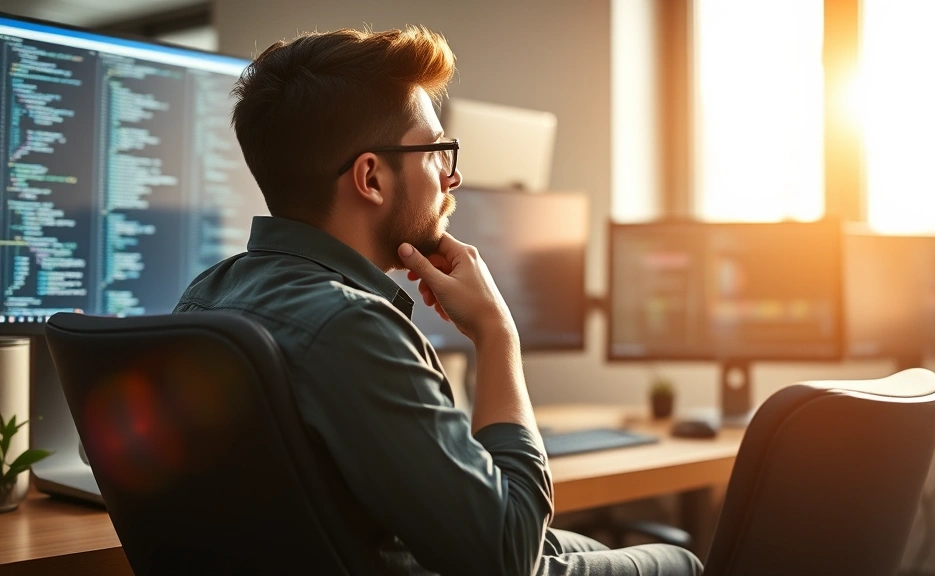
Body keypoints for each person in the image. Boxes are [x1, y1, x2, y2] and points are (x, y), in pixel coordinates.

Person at [174, 25, 702, 576]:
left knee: (582, 548)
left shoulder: (205, 297)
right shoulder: (351, 326)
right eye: (437, 151)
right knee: (681, 561)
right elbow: (509, 556)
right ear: (371, 177)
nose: (453, 178)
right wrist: (497, 333)